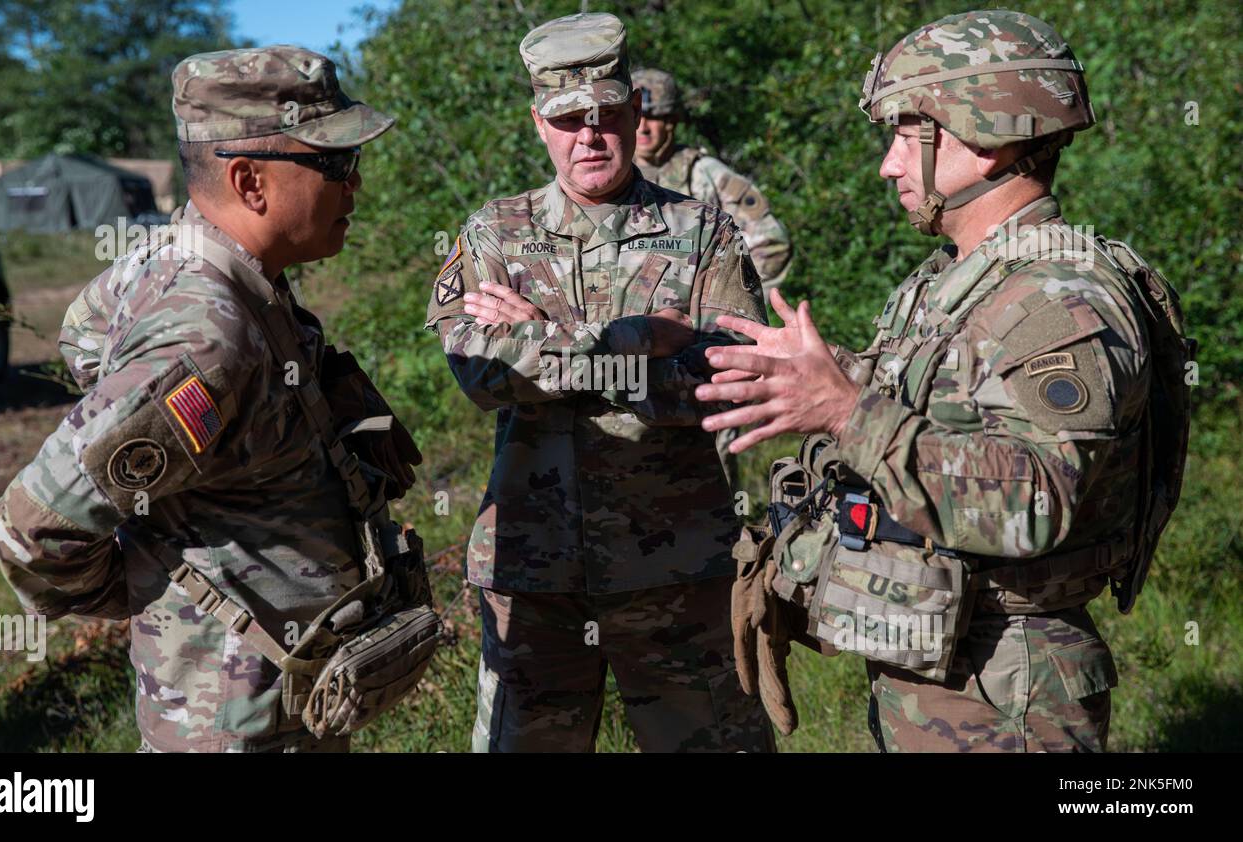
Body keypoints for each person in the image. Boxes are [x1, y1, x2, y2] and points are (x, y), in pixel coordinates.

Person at [699, 10, 1183, 752]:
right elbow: (949, 404)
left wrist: (845, 411)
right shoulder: (958, 280)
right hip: (947, 667)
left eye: (907, 136)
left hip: (1007, 687)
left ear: (988, 140)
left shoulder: (1061, 300)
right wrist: (815, 378)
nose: (888, 165)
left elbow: (1037, 499)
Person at [0, 45, 422, 753]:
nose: (356, 184)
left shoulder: (224, 268)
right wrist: (145, 589)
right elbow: (30, 531)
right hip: (235, 723)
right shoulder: (207, 340)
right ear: (250, 181)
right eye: (334, 164)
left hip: (285, 704)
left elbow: (85, 334)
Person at [425, 11, 773, 752]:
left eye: (607, 115)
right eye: (568, 119)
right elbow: (480, 371)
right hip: (534, 573)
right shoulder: (495, 232)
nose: (590, 135)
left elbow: (727, 380)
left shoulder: (703, 231)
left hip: (677, 571)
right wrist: (641, 340)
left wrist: (542, 341)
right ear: (537, 124)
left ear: (636, 113)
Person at [632, 67, 793, 491]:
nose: (646, 128)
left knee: (710, 451)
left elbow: (769, 244)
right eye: (640, 117)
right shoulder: (608, 174)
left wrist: (734, 315)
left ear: (675, 121)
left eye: (659, 117)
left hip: (697, 342)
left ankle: (728, 546)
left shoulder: (703, 174)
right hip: (632, 339)